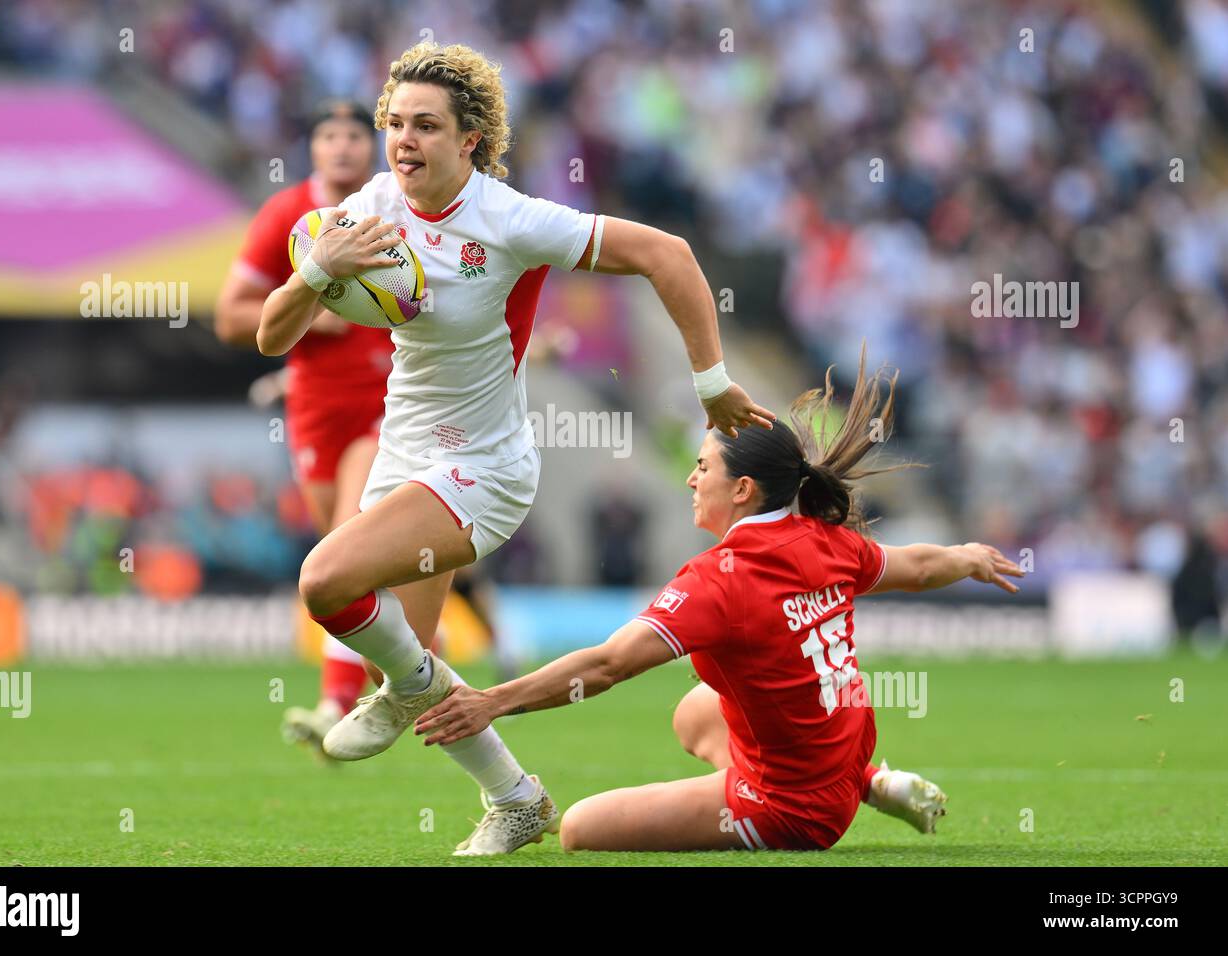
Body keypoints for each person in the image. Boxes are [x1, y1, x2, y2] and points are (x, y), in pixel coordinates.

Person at [257, 42, 773, 855]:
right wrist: (315, 270)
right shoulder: (374, 203)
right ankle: (516, 797)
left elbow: (666, 254)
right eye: (394, 122)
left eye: (425, 125)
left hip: (483, 471)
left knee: (324, 581)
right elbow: (269, 334)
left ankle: (405, 688)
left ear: (470, 141)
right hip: (404, 452)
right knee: (413, 661)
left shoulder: (511, 219)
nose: (402, 139)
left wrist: (711, 384)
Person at [414, 350, 1024, 853]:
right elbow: (914, 567)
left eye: (701, 466)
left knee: (578, 830)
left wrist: (490, 702)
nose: (690, 478)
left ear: (742, 489)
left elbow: (606, 666)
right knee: (693, 712)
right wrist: (968, 556)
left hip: (792, 811)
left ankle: (820, 796)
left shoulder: (721, 579)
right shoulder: (825, 538)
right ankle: (873, 783)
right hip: (840, 757)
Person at [215, 99, 394, 756]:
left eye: (355, 134)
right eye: (330, 135)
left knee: (347, 541)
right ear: (312, 148)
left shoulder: (393, 207)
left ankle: (334, 704)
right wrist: (313, 313)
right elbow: (232, 318)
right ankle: (408, 676)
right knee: (342, 560)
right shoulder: (286, 216)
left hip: (389, 406)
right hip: (316, 409)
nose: (344, 146)